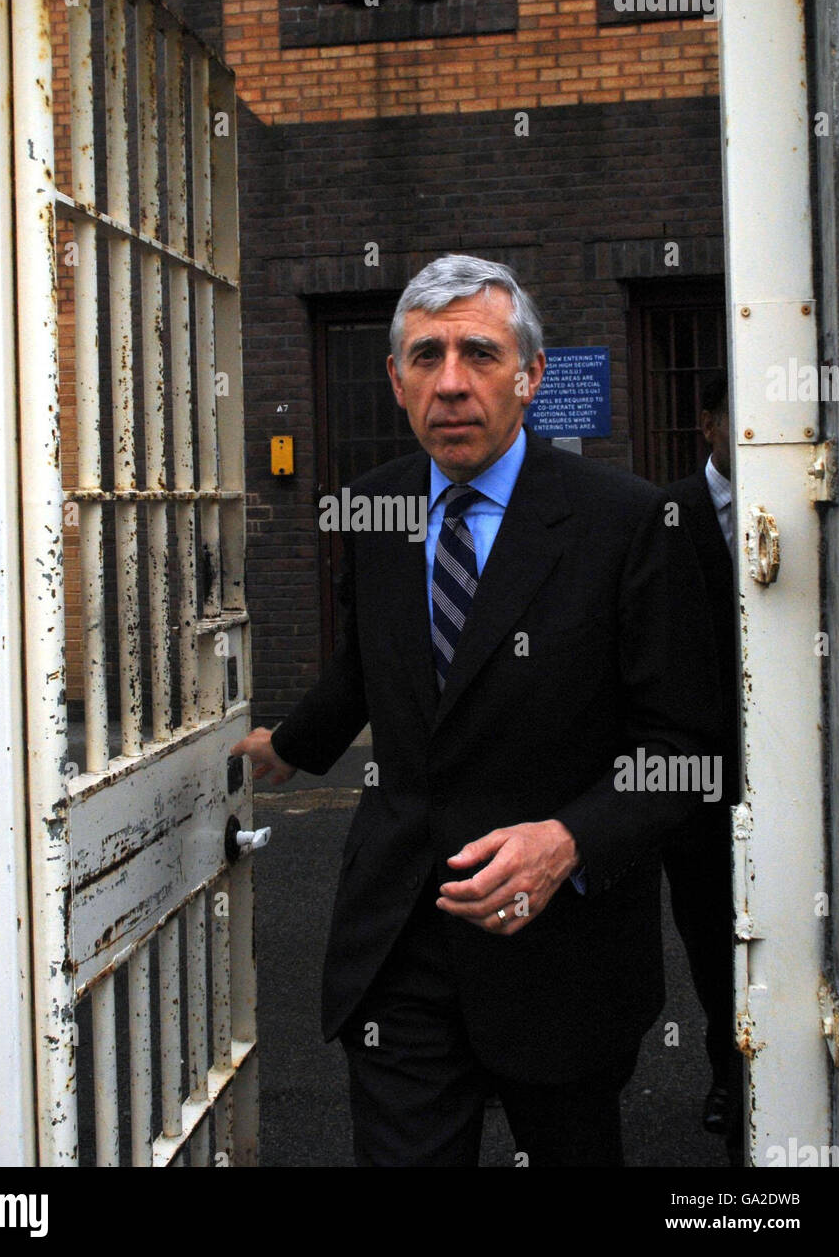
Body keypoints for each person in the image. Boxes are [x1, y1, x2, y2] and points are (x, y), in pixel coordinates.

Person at [231, 254, 721, 1167]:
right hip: (401, 943)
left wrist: (568, 841)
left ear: (530, 376)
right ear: (394, 377)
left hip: (561, 954)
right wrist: (286, 747)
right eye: (425, 356)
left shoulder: (627, 524)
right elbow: (370, 668)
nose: (450, 383)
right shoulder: (373, 508)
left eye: (479, 354)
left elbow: (684, 749)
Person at [663, 372, 743, 1151]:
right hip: (694, 791)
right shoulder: (664, 517)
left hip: (786, 776)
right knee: (712, 942)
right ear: (707, 424)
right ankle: (730, 1071)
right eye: (736, 413)